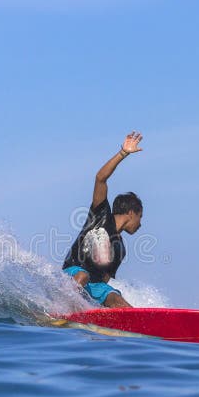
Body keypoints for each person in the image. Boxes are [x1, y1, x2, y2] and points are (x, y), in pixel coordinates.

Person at [62, 131, 144, 307]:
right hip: (72, 273)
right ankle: (61, 307)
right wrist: (123, 153)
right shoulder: (101, 214)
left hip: (94, 285)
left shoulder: (120, 249)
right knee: (82, 276)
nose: (140, 224)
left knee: (117, 299)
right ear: (131, 212)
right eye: (140, 216)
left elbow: (104, 281)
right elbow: (100, 178)